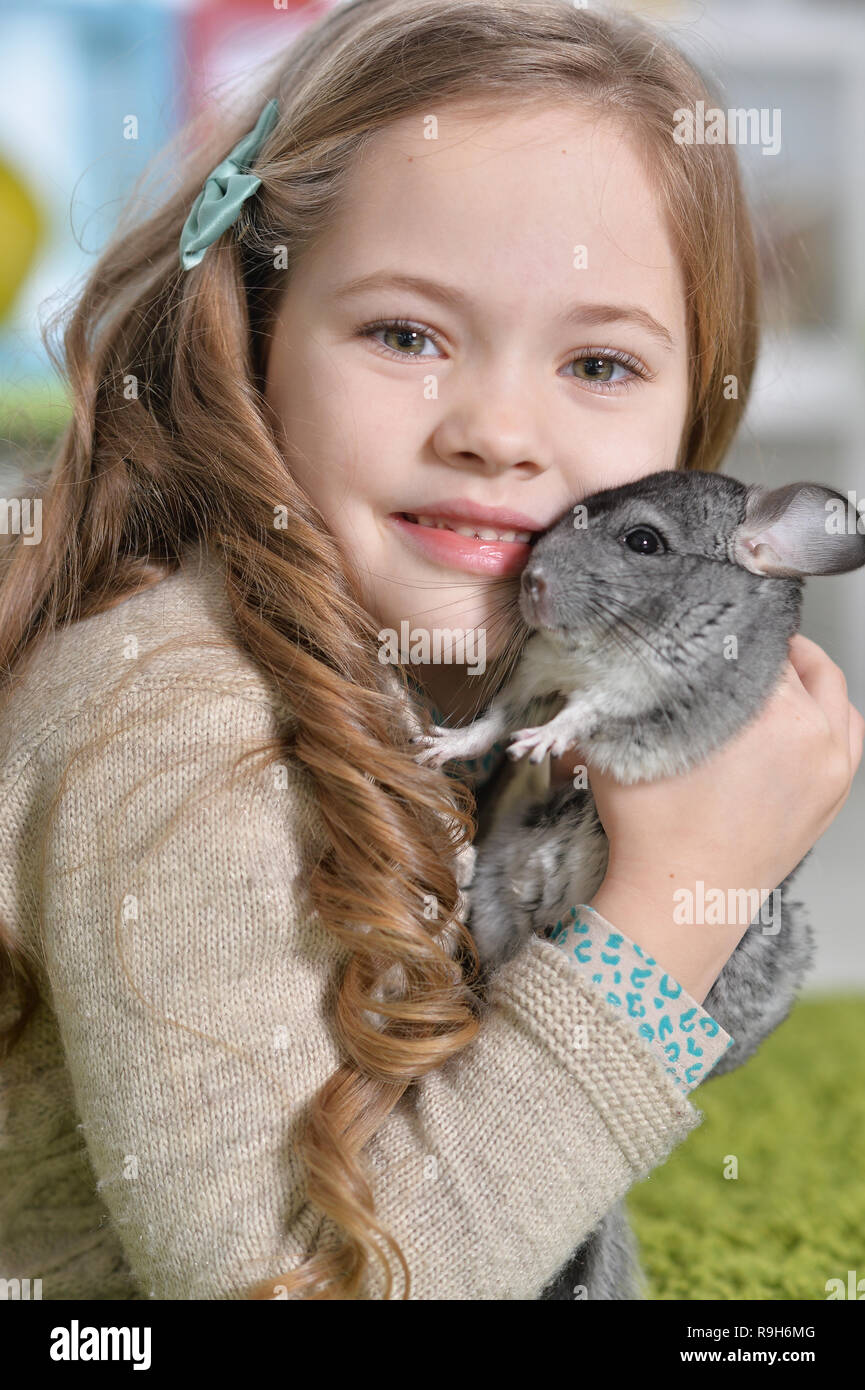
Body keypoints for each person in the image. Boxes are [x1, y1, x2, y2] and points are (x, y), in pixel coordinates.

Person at [0, 0, 860, 1302]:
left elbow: (539, 1111)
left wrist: (718, 876)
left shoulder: (486, 674)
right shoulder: (170, 729)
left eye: (598, 362)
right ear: (254, 339)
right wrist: (663, 917)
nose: (497, 431)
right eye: (406, 335)